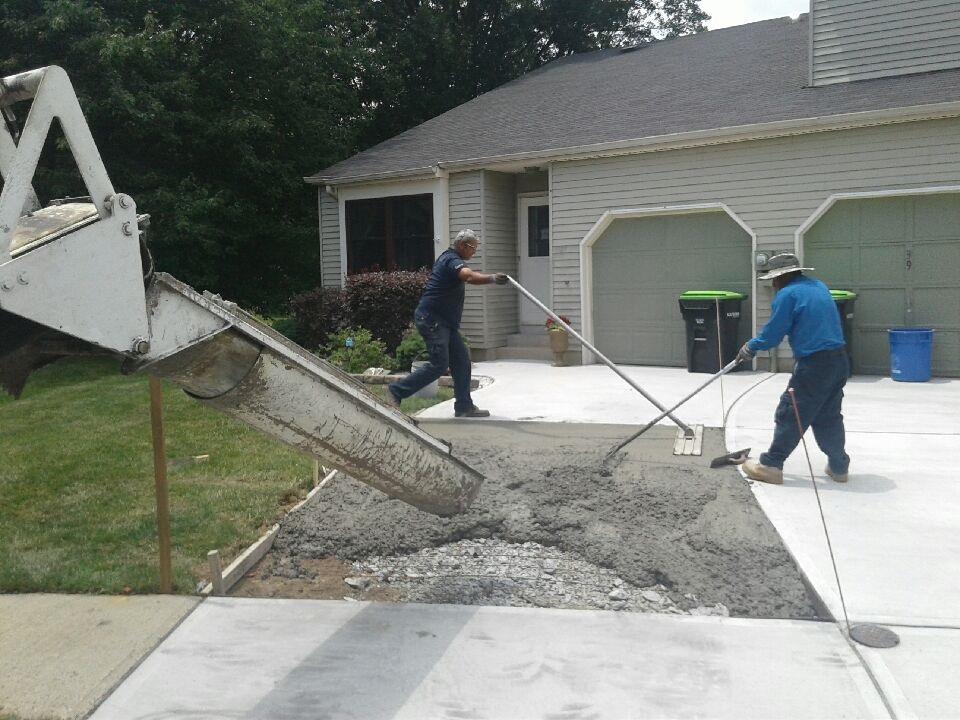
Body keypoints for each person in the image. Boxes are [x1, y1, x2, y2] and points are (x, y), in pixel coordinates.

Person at [737, 253, 850, 485]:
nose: (772, 284)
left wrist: (750, 347)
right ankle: (839, 467)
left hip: (814, 365)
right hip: (839, 361)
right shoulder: (818, 286)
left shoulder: (787, 295)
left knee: (792, 412)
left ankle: (771, 465)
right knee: (828, 416)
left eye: (773, 279)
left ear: (780, 278)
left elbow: (773, 334)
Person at [388, 229, 507, 418]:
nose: (474, 252)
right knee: (439, 364)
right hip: (432, 320)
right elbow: (467, 276)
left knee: (461, 362)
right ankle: (396, 391)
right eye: (473, 248)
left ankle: (464, 406)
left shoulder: (452, 259)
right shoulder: (451, 260)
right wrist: (492, 278)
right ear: (462, 245)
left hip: (445, 323)